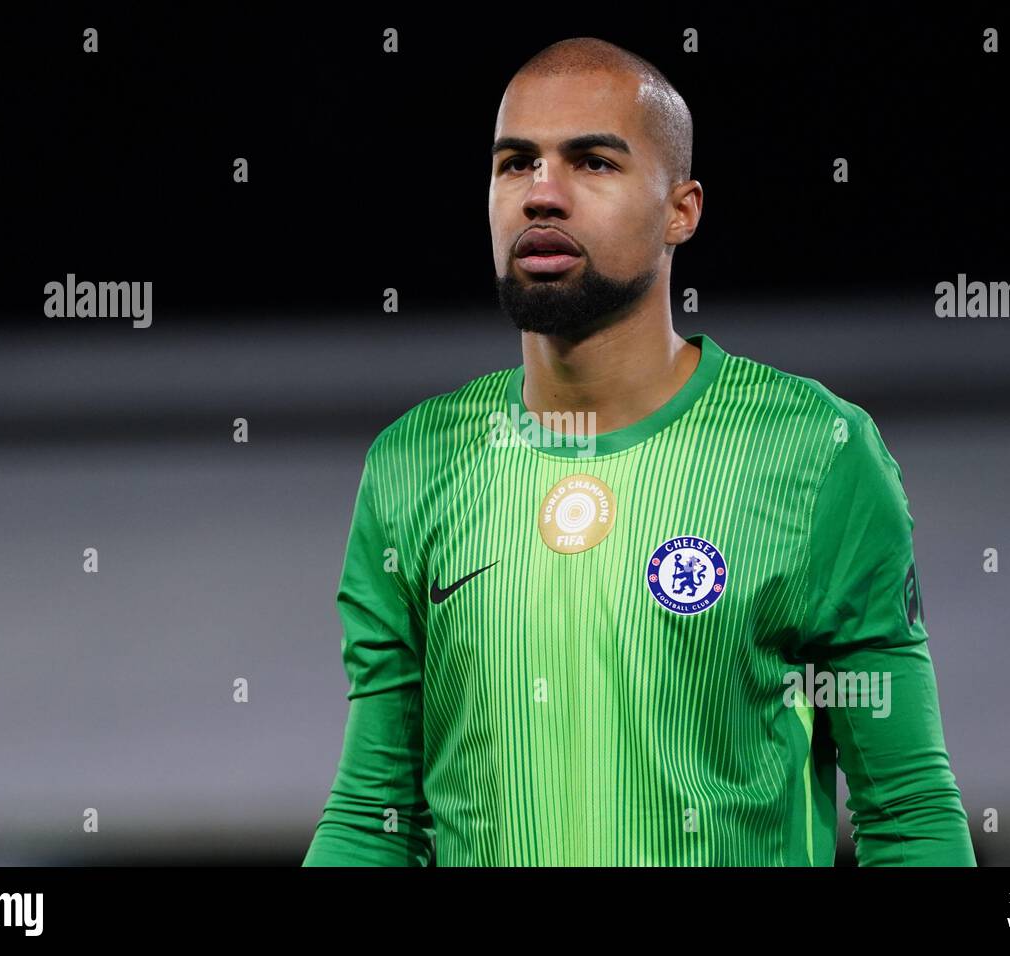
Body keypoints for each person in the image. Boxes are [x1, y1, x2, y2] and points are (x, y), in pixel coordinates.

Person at [303, 37, 975, 866]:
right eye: (515, 164)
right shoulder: (412, 463)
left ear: (681, 210)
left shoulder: (817, 452)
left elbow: (907, 814)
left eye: (591, 163)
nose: (541, 195)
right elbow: (374, 816)